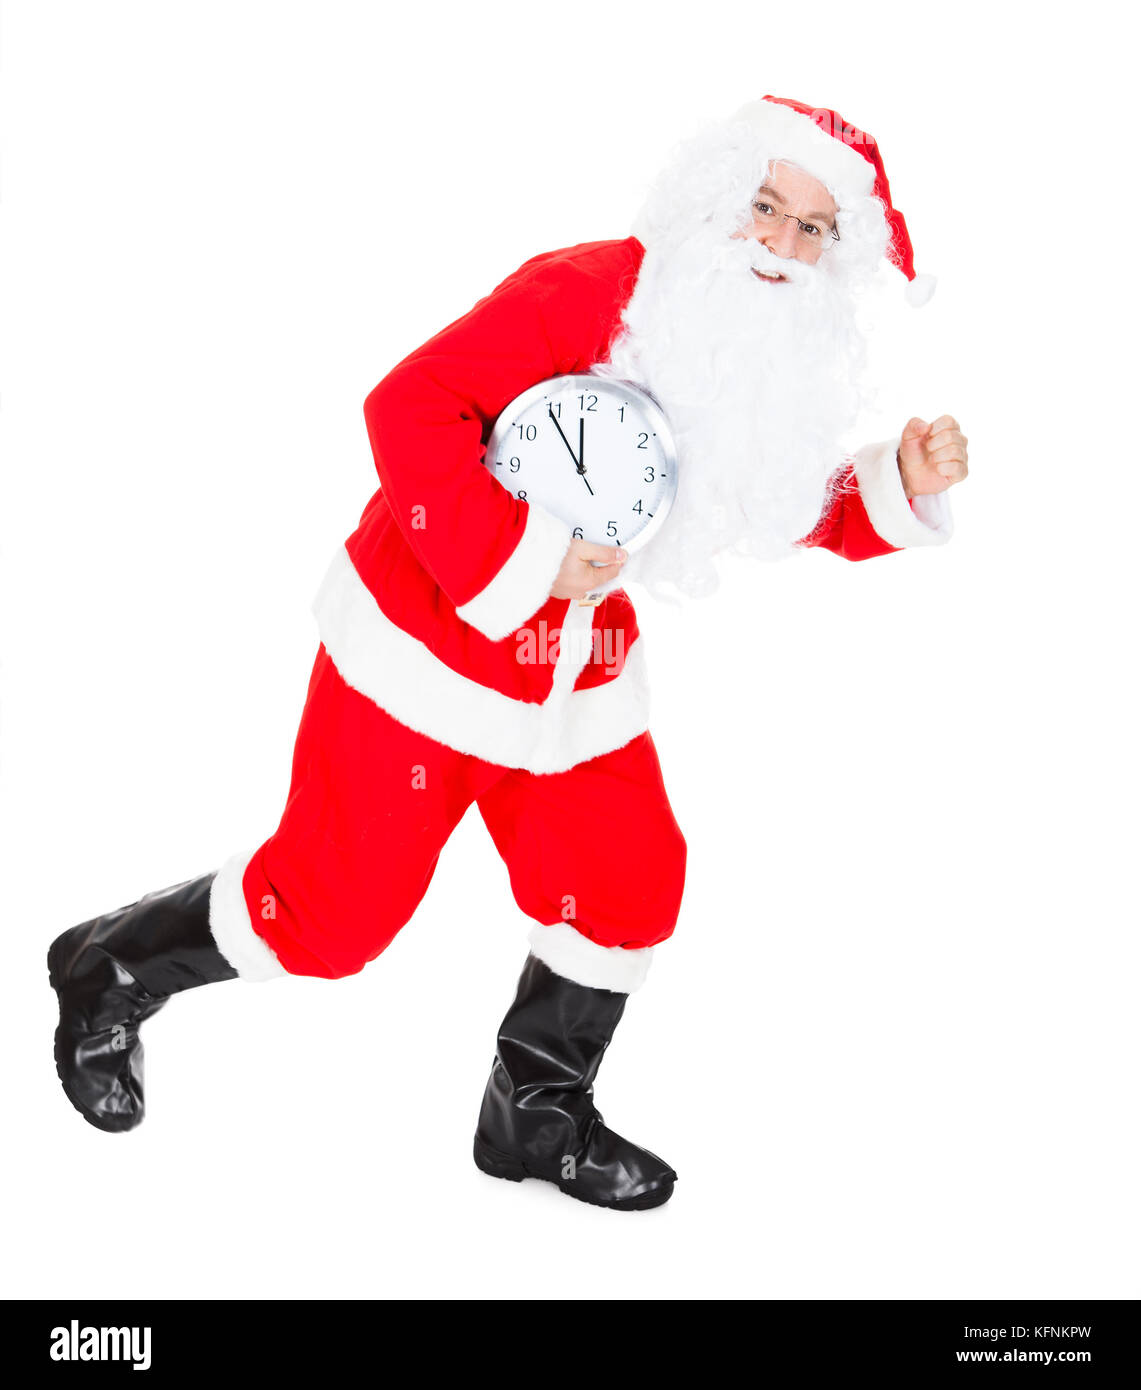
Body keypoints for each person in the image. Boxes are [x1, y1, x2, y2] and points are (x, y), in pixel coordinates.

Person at [48, 94, 968, 1212]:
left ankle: (534, 1112)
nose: (779, 242)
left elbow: (771, 496)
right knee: (331, 917)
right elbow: (407, 406)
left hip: (573, 677)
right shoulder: (589, 290)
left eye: (812, 228)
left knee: (625, 877)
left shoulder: (754, 357)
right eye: (764, 207)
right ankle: (111, 967)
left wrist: (896, 484)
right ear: (715, 196)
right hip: (424, 655)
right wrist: (532, 556)